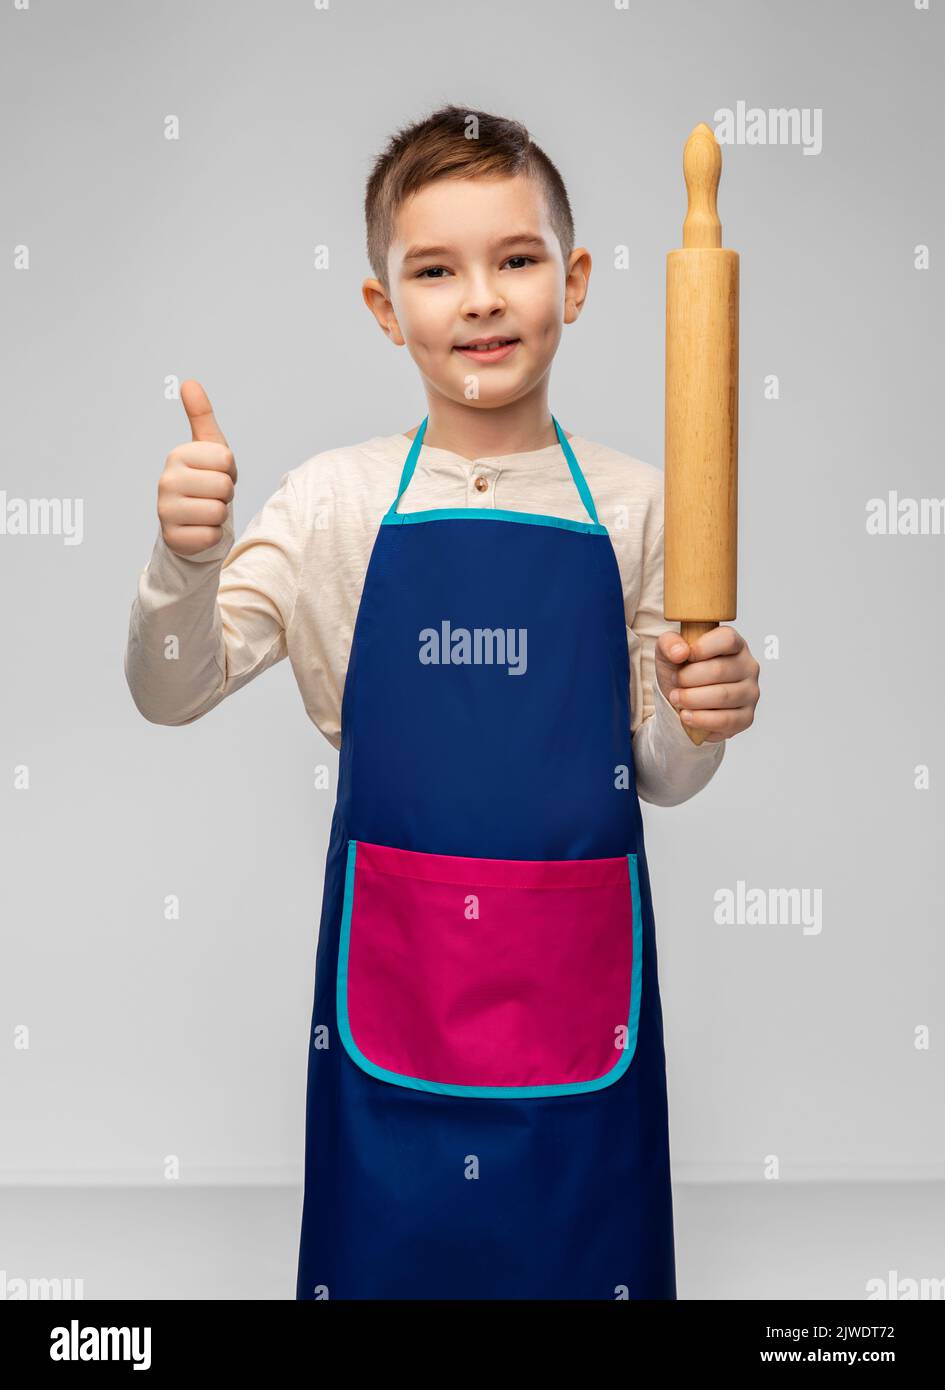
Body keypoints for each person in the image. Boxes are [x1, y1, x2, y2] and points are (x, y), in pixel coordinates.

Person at [124, 104, 761, 1300]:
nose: (481, 298)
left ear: (572, 283)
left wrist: (705, 709)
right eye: (436, 270)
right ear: (384, 307)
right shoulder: (336, 505)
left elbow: (664, 772)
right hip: (396, 984)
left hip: (583, 983)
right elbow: (173, 690)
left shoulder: (639, 505)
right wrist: (184, 561)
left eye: (517, 260)